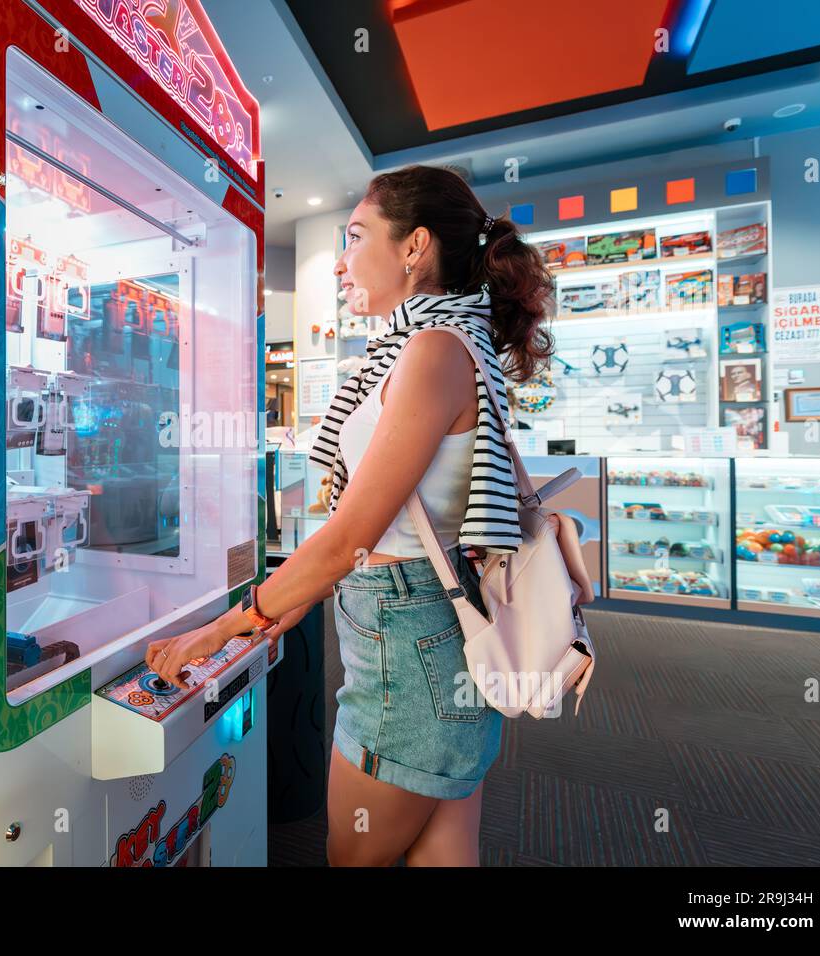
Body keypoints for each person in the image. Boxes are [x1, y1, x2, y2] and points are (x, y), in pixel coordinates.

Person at [146, 165, 555, 866]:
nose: (340, 258)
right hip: (434, 633)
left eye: (356, 235)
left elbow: (352, 537)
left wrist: (223, 627)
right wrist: (291, 602)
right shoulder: (444, 343)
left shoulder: (432, 351)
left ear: (414, 246)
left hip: (408, 649)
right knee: (444, 851)